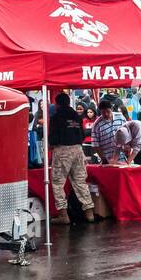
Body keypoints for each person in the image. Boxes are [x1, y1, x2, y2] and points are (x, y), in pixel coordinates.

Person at [48, 91, 95, 225]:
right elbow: (81, 135)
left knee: (57, 183)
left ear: (57, 104)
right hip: (78, 150)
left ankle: (63, 215)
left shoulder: (56, 117)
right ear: (69, 102)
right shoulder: (77, 116)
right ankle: (89, 212)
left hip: (62, 149)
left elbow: (53, 138)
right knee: (80, 180)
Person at [92, 95, 126, 162]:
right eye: (103, 112)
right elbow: (96, 145)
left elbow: (127, 133)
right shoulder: (97, 125)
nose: (106, 114)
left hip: (121, 157)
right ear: (100, 112)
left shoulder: (120, 117)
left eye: (108, 111)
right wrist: (104, 159)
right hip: (106, 159)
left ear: (112, 109)